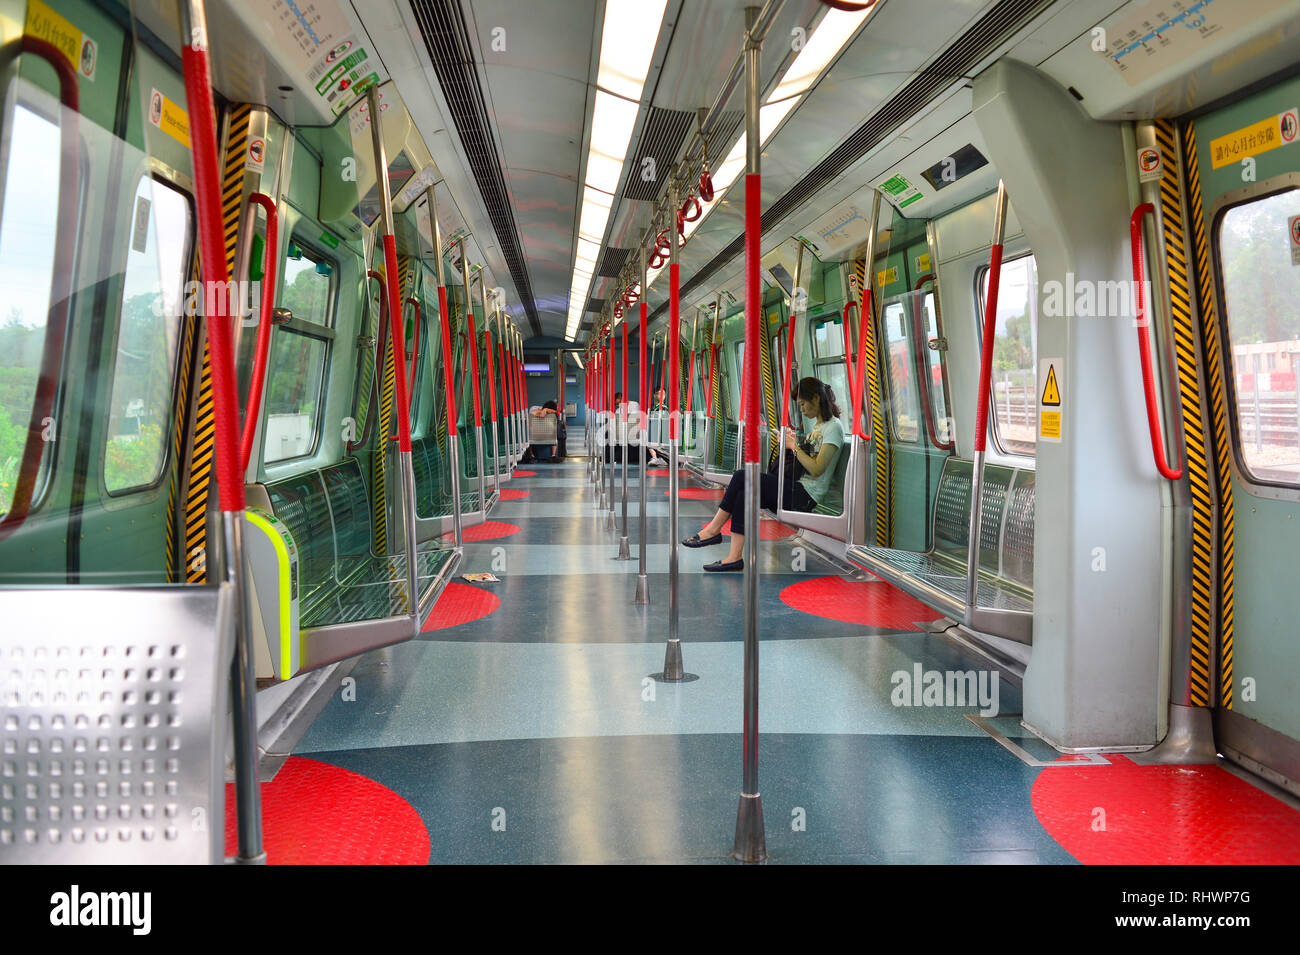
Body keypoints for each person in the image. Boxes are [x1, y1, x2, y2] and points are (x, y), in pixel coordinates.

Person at [682, 376, 844, 571]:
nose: (801, 410)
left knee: (742, 475)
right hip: (794, 488)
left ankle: (713, 530)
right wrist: (792, 444)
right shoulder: (818, 426)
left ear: (816, 399)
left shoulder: (834, 428)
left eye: (802, 404)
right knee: (743, 495)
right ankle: (734, 557)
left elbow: (818, 469)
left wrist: (794, 447)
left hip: (805, 496)